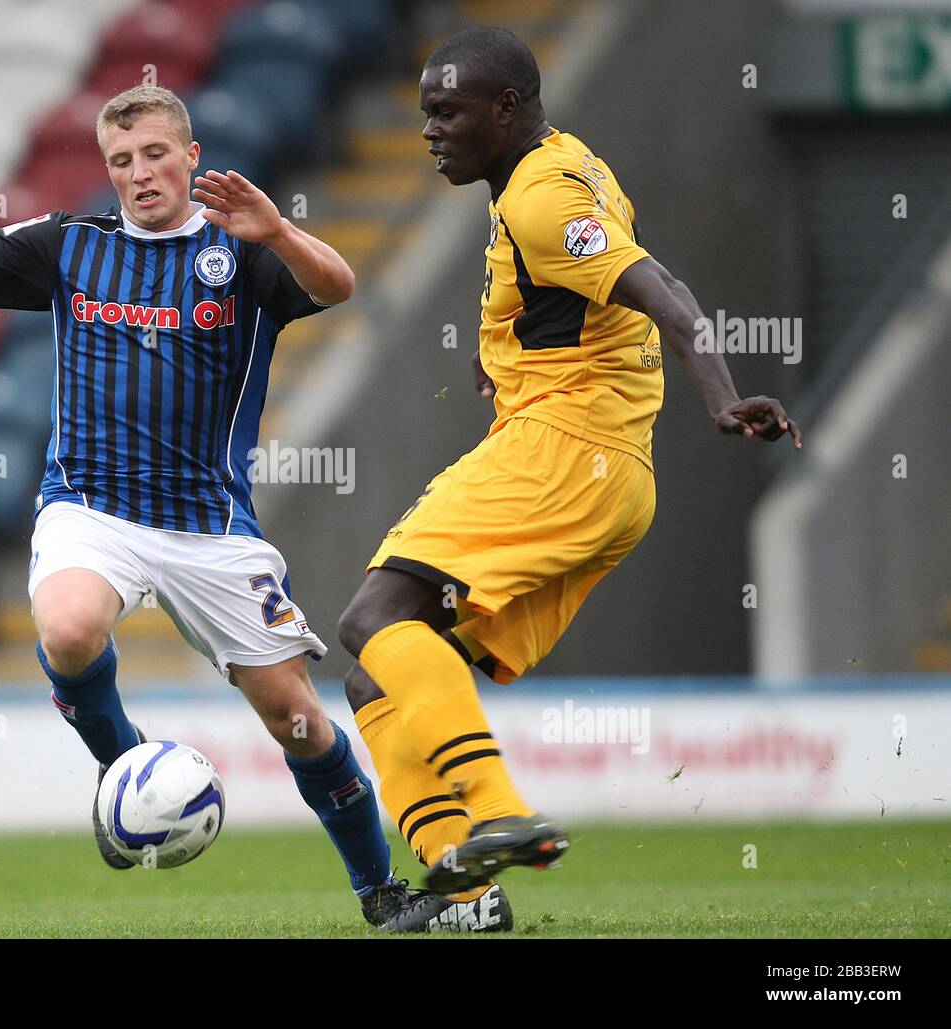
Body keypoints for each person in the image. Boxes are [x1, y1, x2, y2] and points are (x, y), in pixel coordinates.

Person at [0, 84, 448, 929]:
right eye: (121, 161)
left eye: (156, 154)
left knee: (301, 720)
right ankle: (124, 770)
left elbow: (340, 284)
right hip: (92, 509)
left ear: (191, 156)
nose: (139, 173)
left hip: (210, 527)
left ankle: (379, 893)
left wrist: (275, 229)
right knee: (65, 628)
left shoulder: (240, 250)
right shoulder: (69, 246)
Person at [337, 27, 802, 932]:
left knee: (370, 618)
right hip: (602, 469)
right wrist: (504, 351)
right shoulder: (560, 164)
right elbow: (573, 295)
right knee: (376, 678)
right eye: (426, 112)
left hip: (564, 453)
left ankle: (501, 807)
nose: (430, 130)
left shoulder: (544, 198)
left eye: (448, 112)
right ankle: (465, 894)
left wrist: (723, 396)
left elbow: (665, 291)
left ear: (505, 109)